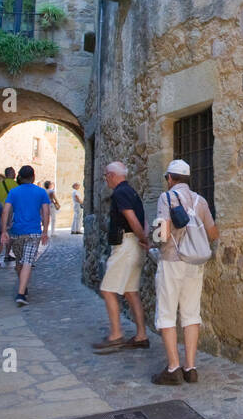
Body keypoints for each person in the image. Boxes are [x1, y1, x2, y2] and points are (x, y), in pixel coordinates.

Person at [151, 159, 218, 385]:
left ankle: (173, 368)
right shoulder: (200, 200)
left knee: (167, 313)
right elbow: (213, 232)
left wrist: (155, 240)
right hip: (194, 263)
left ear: (170, 178)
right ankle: (191, 368)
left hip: (172, 260)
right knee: (191, 314)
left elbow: (163, 232)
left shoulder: (167, 198)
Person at [93, 162, 150, 353]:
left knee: (108, 290)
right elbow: (143, 219)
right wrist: (143, 239)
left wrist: (143, 239)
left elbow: (132, 219)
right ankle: (141, 335)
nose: (106, 179)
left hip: (126, 246)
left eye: (106, 176)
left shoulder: (119, 193)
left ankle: (116, 335)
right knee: (131, 291)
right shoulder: (132, 192)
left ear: (111, 175)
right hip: (133, 245)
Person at [0, 164, 50, 307]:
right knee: (27, 261)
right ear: (33, 177)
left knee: (19, 262)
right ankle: (21, 293)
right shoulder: (41, 192)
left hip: (16, 232)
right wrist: (45, 231)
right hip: (33, 232)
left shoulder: (14, 192)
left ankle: (22, 288)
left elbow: (6, 211)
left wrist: (4, 230)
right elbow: (46, 212)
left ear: (20, 177)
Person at [0, 167, 19, 265]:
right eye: (14, 172)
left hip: (1, 209)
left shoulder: (0, 184)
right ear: (11, 173)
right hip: (12, 209)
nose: (15, 174)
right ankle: (7, 254)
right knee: (11, 232)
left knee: (2, 231)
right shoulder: (16, 185)